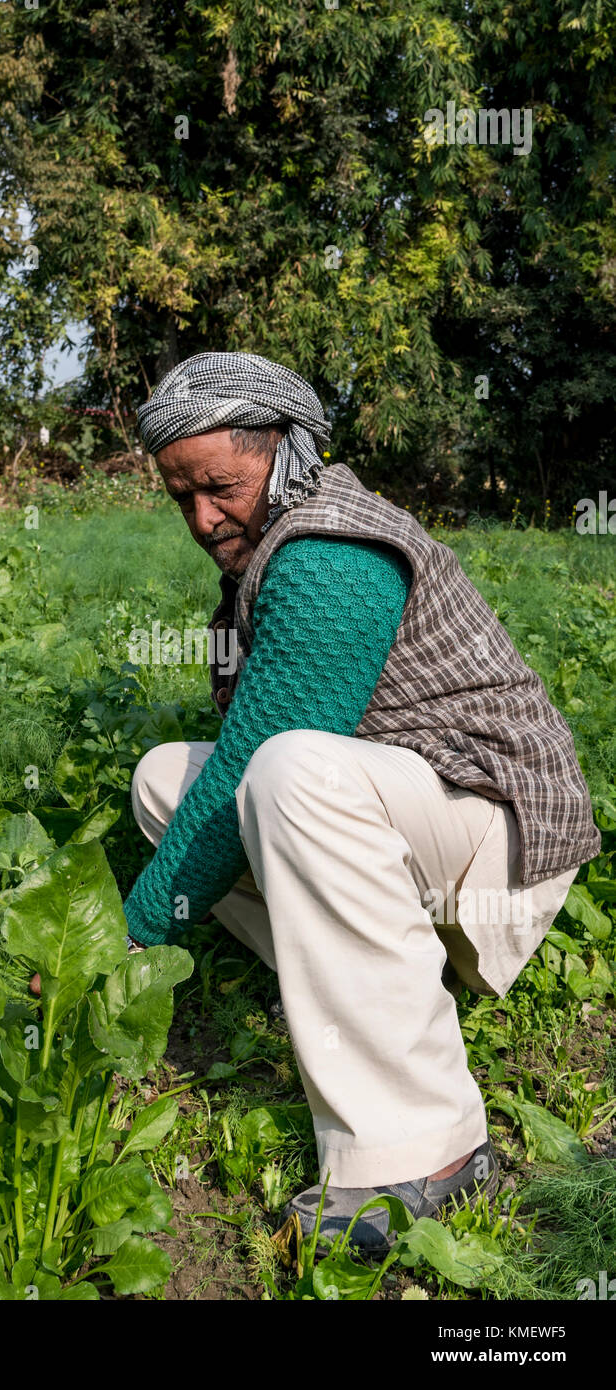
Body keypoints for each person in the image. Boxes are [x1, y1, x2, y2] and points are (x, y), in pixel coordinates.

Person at [121, 350, 599, 1255]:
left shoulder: (330, 549)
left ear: (288, 450)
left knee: (288, 772)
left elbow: (265, 758)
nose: (202, 517)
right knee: (164, 780)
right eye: (181, 496)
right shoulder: (272, 539)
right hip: (420, 808)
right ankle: (383, 994)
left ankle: (426, 1148)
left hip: (493, 821)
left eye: (219, 486)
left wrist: (131, 938)